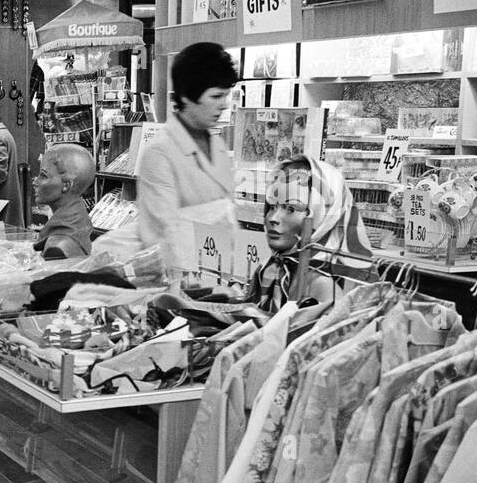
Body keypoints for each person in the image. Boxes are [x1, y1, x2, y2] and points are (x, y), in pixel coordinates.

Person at [134, 41, 239, 272]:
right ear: (188, 96)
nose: (223, 105)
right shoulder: (160, 153)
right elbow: (161, 236)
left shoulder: (218, 146)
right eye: (216, 96)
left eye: (226, 95)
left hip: (220, 273)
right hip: (181, 284)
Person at [247, 155, 373, 312]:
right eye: (272, 206)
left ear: (323, 217)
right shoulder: (270, 269)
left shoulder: (323, 288)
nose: (273, 218)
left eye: (291, 209)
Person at [31, 144, 96, 258]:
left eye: (43, 176)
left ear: (66, 185)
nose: (35, 182)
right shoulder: (77, 220)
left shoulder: (59, 245)